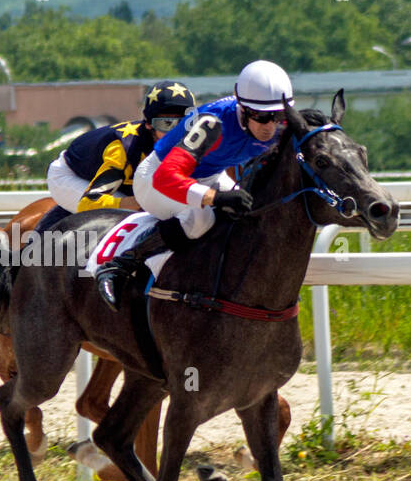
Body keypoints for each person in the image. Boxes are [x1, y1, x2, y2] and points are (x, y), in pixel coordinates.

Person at [93, 60, 292, 309]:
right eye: (263, 118)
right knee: (202, 217)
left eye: (279, 117)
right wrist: (214, 198)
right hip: (156, 179)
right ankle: (121, 264)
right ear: (243, 108)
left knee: (251, 212)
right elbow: (166, 177)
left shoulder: (276, 124)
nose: (271, 127)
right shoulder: (211, 124)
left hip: (208, 175)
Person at [36, 80, 196, 232]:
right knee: (135, 215)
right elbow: (90, 201)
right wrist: (136, 203)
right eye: (166, 124)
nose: (176, 134)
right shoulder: (124, 149)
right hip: (70, 175)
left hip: (118, 181)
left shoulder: (195, 141)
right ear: (148, 124)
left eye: (183, 124)